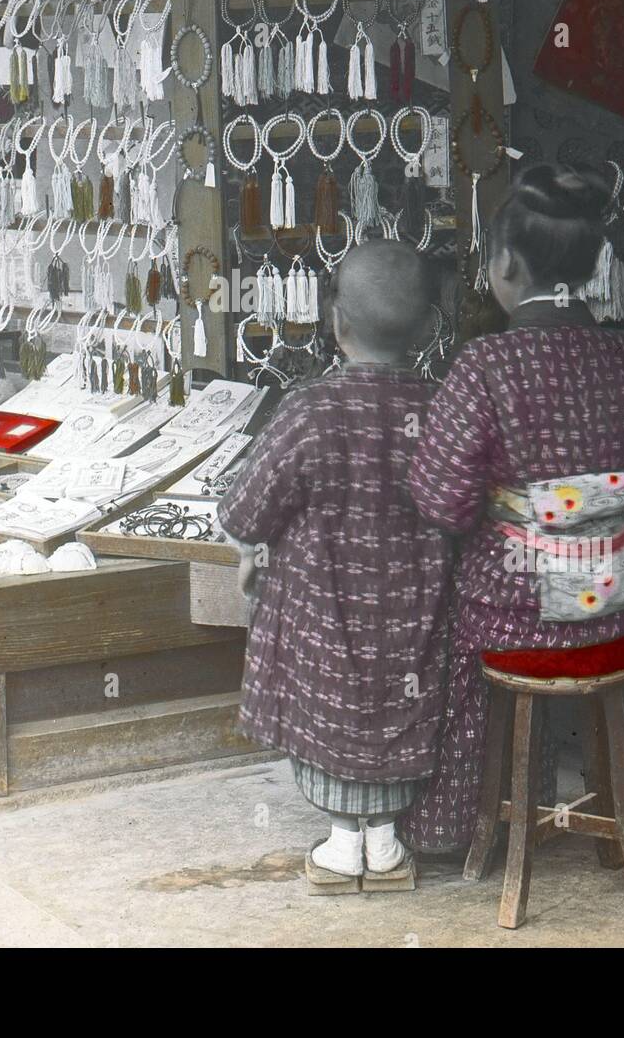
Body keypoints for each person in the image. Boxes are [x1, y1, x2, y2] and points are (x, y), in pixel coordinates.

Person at [398, 164, 624, 854]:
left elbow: (440, 501)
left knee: (433, 622)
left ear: (505, 264)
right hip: (612, 609)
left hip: (514, 617)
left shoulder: (484, 366)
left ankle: (457, 827)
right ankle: (581, 804)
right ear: (586, 266)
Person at [218, 240, 452, 880]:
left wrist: (251, 557)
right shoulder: (441, 411)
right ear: (430, 326)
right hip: (415, 613)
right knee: (402, 697)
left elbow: (245, 511)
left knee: (332, 698)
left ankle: (342, 841)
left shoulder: (310, 410)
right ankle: (385, 841)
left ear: (336, 323)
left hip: (322, 614)